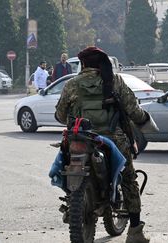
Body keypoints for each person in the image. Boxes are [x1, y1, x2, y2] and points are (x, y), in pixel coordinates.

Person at [55, 46, 151, 243]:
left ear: (82, 64)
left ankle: (71, 202)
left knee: (63, 164)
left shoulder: (72, 84)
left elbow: (60, 115)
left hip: (80, 138)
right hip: (112, 139)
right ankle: (135, 231)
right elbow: (133, 110)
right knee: (129, 179)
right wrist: (144, 119)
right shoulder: (114, 81)